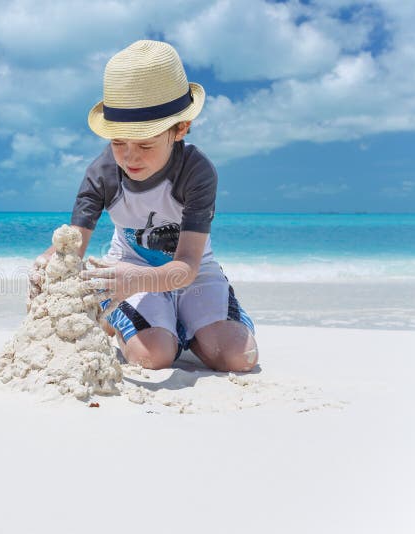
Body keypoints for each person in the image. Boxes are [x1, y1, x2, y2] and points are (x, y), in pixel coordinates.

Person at [28, 40, 258, 373]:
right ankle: (145, 324)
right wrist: (47, 266)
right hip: (126, 269)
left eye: (145, 143)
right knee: (153, 357)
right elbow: (72, 246)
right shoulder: (103, 172)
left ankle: (187, 324)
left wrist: (141, 281)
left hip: (190, 273)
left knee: (239, 359)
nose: (129, 157)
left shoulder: (197, 172)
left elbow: (188, 266)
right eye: (118, 141)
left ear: (181, 129)